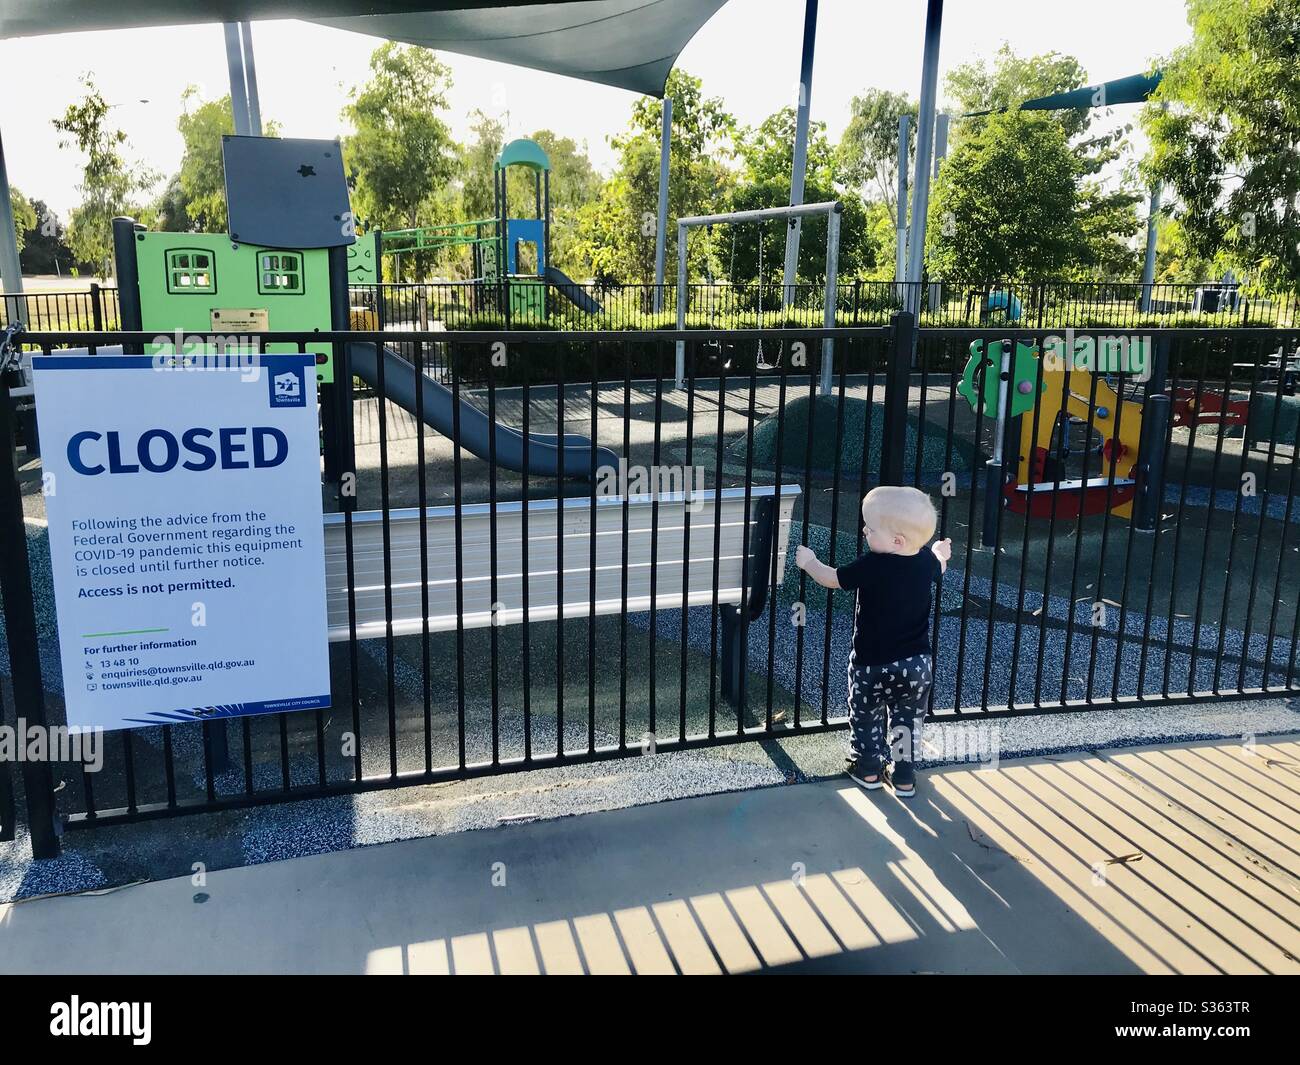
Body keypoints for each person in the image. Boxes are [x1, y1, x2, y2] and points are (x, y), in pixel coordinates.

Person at [795, 486, 951, 797]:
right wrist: (939, 552)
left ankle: (868, 768)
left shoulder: (873, 564)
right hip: (917, 665)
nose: (865, 530)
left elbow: (833, 579)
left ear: (897, 540)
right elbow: (940, 564)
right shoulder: (924, 563)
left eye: (871, 527)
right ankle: (904, 776)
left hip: (871, 662)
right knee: (908, 719)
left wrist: (809, 562)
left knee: (866, 714)